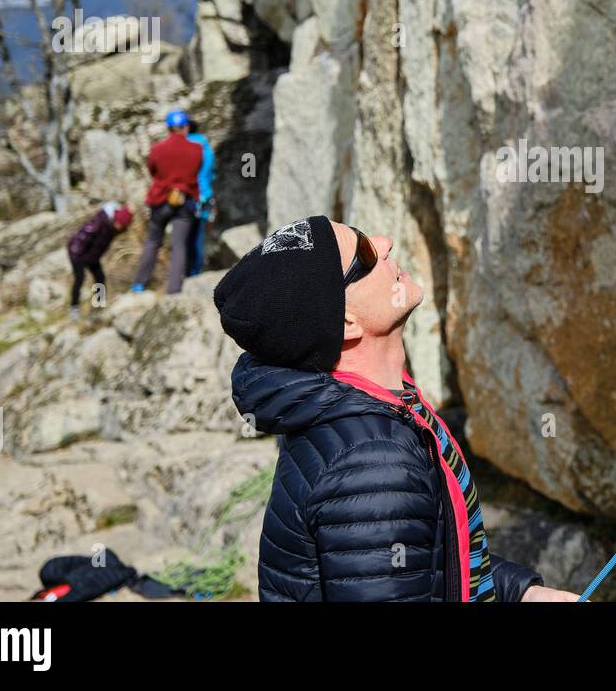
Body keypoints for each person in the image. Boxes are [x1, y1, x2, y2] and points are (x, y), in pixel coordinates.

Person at [214, 215, 582, 602]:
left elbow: (432, 559)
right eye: (366, 254)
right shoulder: (373, 463)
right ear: (346, 322)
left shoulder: (372, 410)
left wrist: (525, 594)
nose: (386, 242)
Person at [131, 109, 203, 295]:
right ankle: (174, 290)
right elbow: (196, 171)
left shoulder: (157, 149)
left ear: (169, 128)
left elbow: (153, 171)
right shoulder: (196, 150)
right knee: (179, 245)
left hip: (160, 200)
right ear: (185, 127)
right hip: (185, 201)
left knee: (153, 241)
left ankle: (139, 284)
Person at [66, 202, 132, 320]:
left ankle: (98, 306)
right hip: (77, 252)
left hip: (91, 256)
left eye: (123, 226)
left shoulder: (112, 227)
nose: (120, 227)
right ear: (117, 219)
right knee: (80, 278)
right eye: (120, 224)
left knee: (100, 278)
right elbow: (83, 236)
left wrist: (92, 258)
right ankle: (74, 309)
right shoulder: (100, 222)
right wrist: (79, 256)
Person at [185, 120, 215, 277]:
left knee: (185, 235)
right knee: (199, 235)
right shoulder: (207, 147)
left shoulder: (186, 146)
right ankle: (196, 270)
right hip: (206, 195)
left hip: (190, 196)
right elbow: (211, 172)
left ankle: (188, 272)